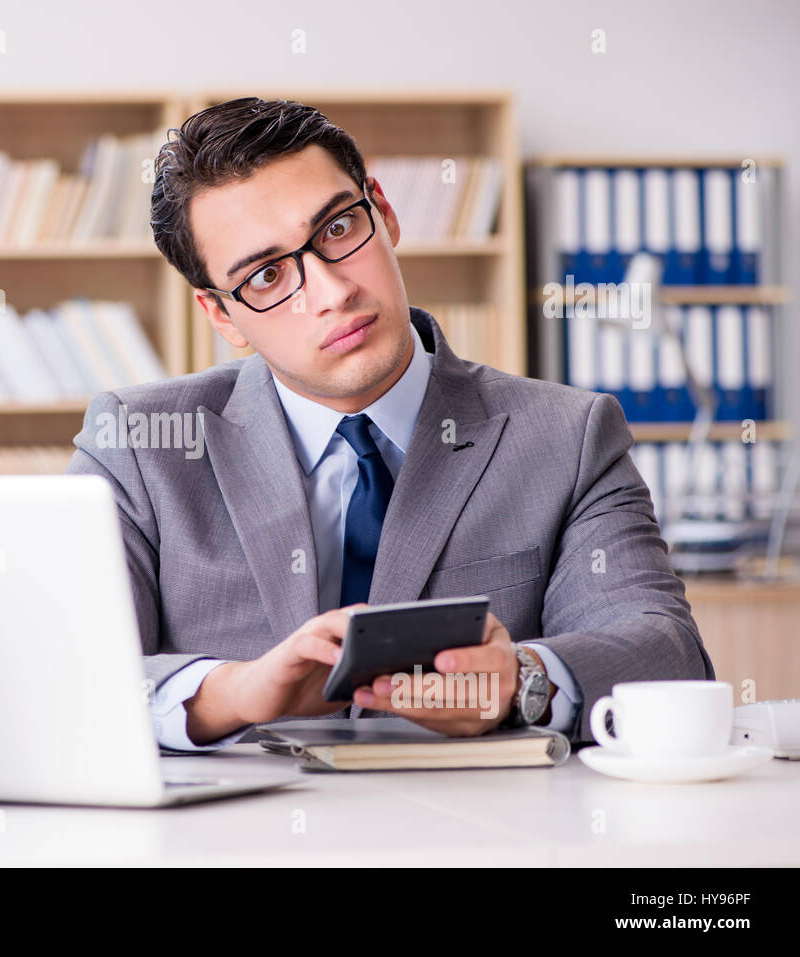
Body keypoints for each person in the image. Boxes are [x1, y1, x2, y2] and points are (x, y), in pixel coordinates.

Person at [65, 96, 713, 751]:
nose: (332, 292)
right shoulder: (138, 444)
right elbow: (61, 674)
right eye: (266, 275)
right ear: (221, 315)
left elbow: (668, 653)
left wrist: (523, 679)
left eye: (338, 229)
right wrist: (231, 692)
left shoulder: (568, 435)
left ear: (383, 211)